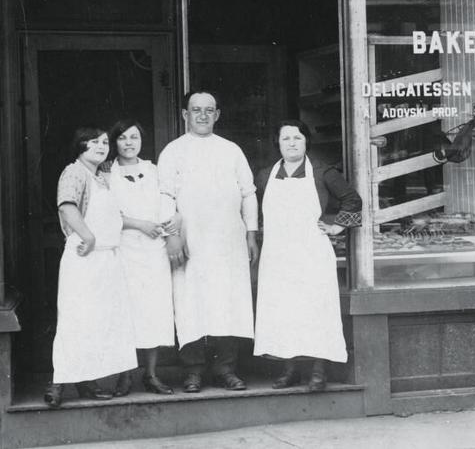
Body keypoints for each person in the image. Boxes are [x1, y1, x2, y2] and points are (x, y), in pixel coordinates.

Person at [157, 91, 258, 393]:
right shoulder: (172, 152)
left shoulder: (232, 150)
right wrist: (172, 236)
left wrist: (251, 233)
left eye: (209, 110)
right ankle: (193, 371)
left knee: (228, 303)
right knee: (191, 304)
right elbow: (165, 196)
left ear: (218, 115)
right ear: (185, 115)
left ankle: (226, 369)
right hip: (192, 244)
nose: (203, 115)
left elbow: (248, 193)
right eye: (196, 110)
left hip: (228, 243)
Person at [253, 120, 362, 390]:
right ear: (277, 143)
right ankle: (290, 369)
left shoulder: (322, 173)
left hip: (311, 252)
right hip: (278, 255)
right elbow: (251, 207)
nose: (291, 143)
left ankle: (317, 371)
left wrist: (337, 225)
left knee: (315, 310)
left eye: (297, 138)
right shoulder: (266, 175)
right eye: (286, 138)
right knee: (285, 311)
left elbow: (352, 199)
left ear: (306, 142)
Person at [44, 127, 138, 408]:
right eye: (94, 142)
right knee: (76, 319)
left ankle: (87, 381)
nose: (102, 146)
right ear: (80, 145)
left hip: (105, 259)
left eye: (106, 142)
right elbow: (67, 206)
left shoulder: (102, 178)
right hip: (84, 256)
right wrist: (87, 235)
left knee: (98, 322)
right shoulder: (74, 172)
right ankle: (58, 383)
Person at [107, 119, 179, 396]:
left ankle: (151, 374)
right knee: (127, 313)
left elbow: (168, 201)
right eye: (123, 138)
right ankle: (125, 376)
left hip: (154, 250)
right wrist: (139, 224)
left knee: (154, 311)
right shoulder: (107, 173)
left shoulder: (153, 170)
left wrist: (170, 222)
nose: (128, 143)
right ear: (115, 142)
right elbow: (107, 214)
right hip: (124, 249)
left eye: (134, 137)